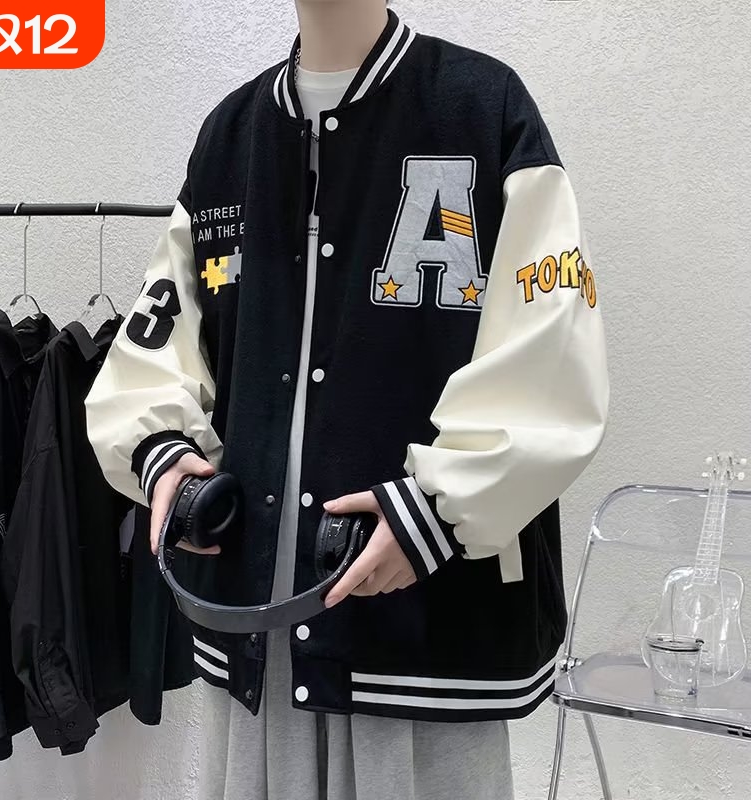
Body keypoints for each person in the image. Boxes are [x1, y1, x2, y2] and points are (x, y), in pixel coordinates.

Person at [85, 0, 609, 797]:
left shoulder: (483, 107)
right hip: (256, 633)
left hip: (425, 628)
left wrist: (440, 506)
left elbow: (553, 343)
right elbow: (158, 339)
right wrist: (161, 454)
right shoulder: (230, 136)